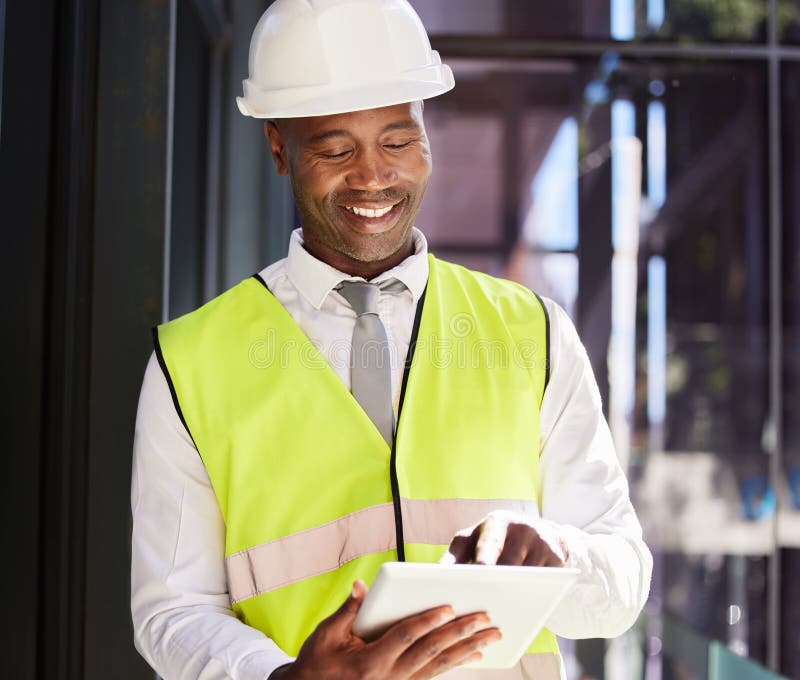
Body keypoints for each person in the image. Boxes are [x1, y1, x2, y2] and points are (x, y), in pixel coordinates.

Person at [131, 1, 652, 679]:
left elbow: (621, 584)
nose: (374, 176)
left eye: (398, 141)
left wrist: (558, 556)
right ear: (280, 148)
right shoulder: (191, 366)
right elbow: (171, 613)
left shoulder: (535, 334)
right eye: (336, 148)